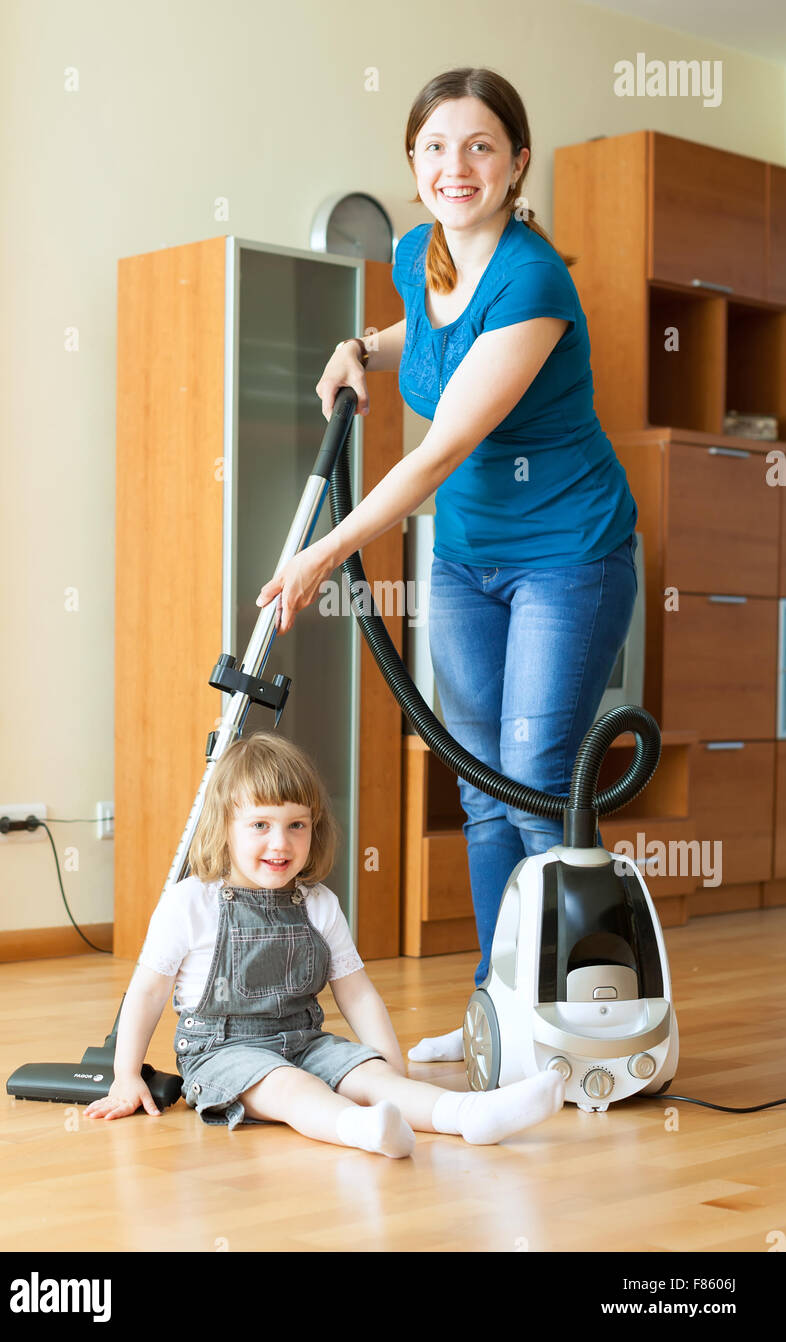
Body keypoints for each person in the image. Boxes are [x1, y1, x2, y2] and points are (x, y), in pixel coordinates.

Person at [254, 68, 639, 1066]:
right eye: (433, 148)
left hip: (567, 552)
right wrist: (360, 349)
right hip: (467, 557)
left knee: (529, 779)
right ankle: (494, 1008)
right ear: (413, 165)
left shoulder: (533, 280)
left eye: (478, 147)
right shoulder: (417, 249)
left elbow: (435, 454)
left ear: (516, 163)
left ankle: (559, 1009)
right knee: (476, 784)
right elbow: (422, 328)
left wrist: (326, 552)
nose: (453, 166)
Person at [84, 731, 565, 1156]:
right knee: (288, 1086)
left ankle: (470, 1115)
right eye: (260, 825)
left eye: (297, 825)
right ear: (223, 828)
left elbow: (356, 992)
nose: (281, 843)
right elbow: (147, 993)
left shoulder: (318, 903)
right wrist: (126, 1075)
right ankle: (359, 1128)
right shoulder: (190, 903)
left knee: (369, 1076)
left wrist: (389, 1068)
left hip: (305, 1040)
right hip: (221, 1053)